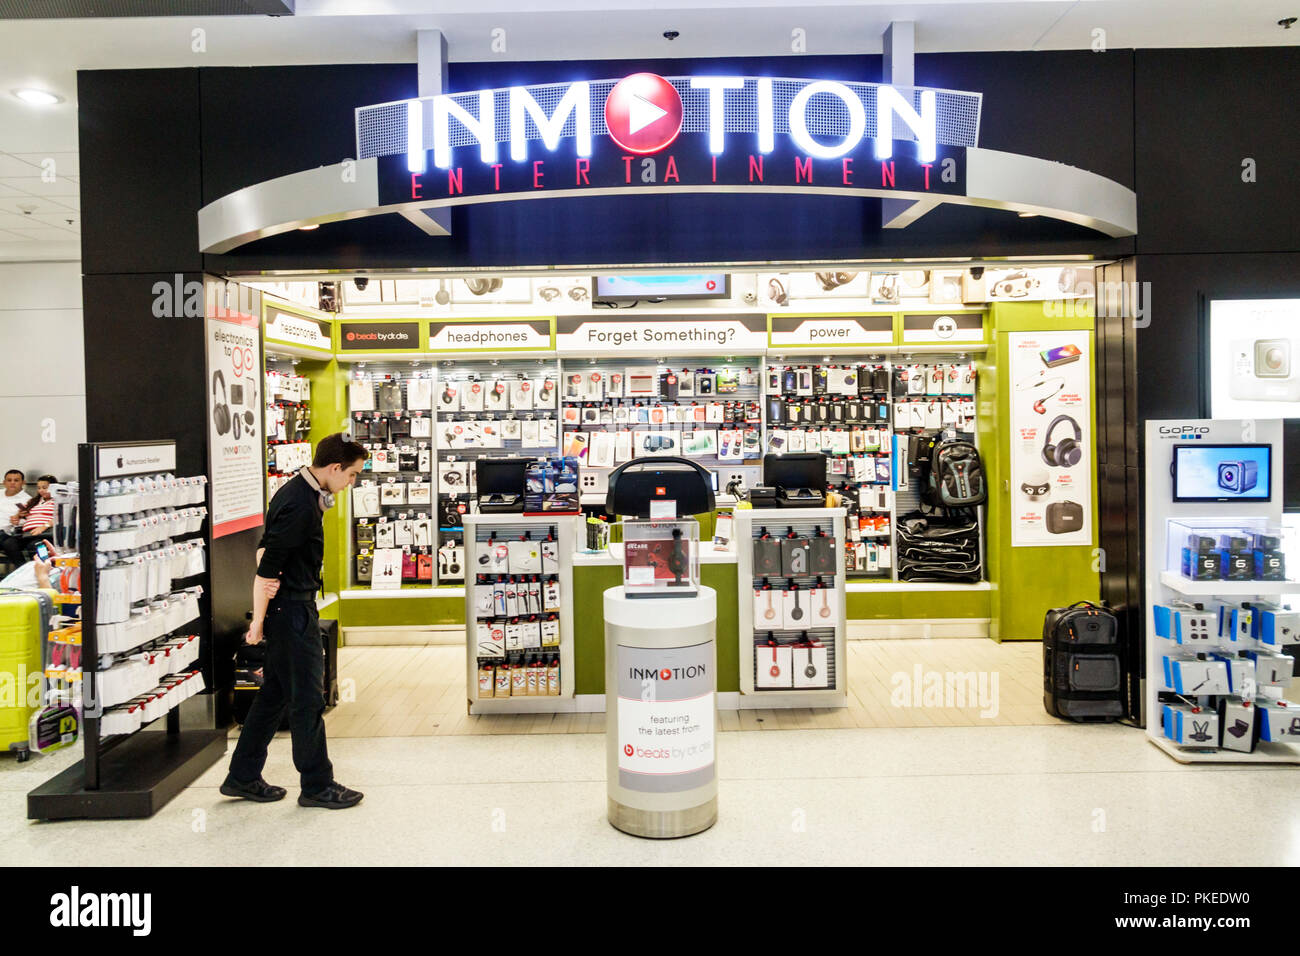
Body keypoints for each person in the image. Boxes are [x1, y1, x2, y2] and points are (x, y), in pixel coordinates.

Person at [221, 433, 368, 810]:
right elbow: (266, 570)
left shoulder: (297, 492)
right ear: (334, 468)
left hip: (292, 610)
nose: (352, 483)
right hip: (292, 615)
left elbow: (263, 551)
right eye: (352, 475)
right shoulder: (301, 505)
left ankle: (242, 775)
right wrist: (258, 626)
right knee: (307, 701)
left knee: (273, 697)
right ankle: (317, 785)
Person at [1, 475, 57, 565]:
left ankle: (44, 568)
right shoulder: (34, 501)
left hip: (44, 533)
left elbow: (61, 517)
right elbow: (22, 514)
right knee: (9, 543)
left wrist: (44, 526)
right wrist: (17, 516)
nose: (41, 490)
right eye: (39, 488)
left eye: (44, 488)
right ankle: (22, 568)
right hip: (27, 534)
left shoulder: (57, 501)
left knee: (35, 545)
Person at [0, 469, 26, 542]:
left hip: (5, 533)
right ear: (4, 482)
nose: (12, 483)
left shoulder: (27, 500)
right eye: (9, 480)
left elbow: (26, 520)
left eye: (16, 480)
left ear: (23, 482)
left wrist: (18, 521)